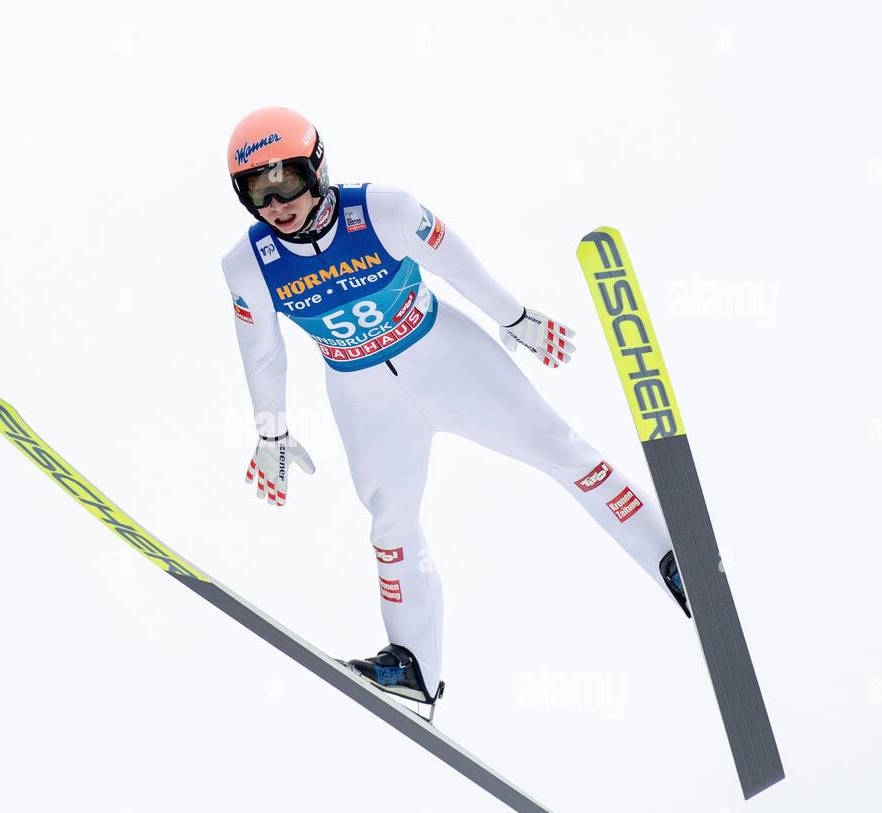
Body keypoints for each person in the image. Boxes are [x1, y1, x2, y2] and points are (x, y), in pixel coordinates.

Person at [221, 106, 688, 716]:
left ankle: (672, 560)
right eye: (256, 192)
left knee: (559, 449)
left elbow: (455, 261)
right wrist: (271, 433)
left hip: (446, 357)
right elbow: (262, 353)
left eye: (284, 182)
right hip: (363, 396)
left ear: (317, 168)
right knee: (391, 526)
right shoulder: (248, 262)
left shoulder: (383, 210)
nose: (275, 204)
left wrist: (514, 317)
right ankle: (413, 665)